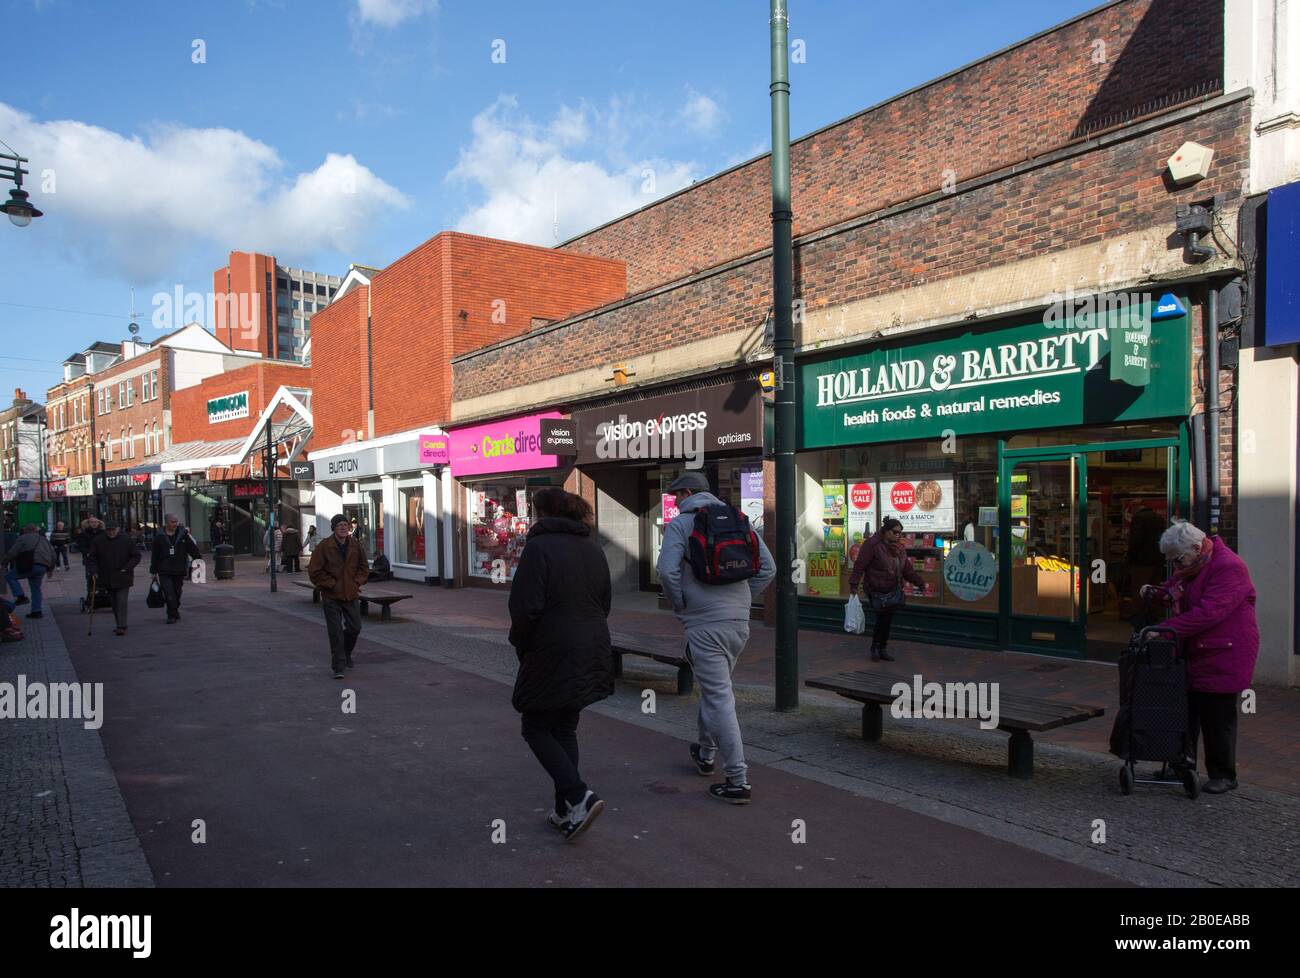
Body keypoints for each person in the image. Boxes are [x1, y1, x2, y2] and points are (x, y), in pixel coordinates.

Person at [656, 471, 776, 805]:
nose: (676, 502)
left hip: (704, 623)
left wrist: (681, 604)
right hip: (738, 623)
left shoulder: (681, 525)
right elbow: (769, 569)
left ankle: (738, 779)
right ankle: (706, 753)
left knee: (720, 697)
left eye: (678, 496)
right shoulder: (737, 520)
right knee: (715, 689)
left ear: (689, 493)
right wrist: (742, 600)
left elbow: (666, 571)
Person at [508, 487, 614, 841]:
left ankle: (578, 794)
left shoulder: (539, 548)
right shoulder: (593, 548)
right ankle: (565, 809)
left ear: (546, 514)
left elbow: (524, 607)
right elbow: (604, 602)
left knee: (535, 726)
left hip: (552, 647)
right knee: (565, 725)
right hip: (592, 644)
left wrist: (522, 644)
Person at [1142, 520, 1259, 794]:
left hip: (1224, 652)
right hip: (1198, 649)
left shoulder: (1229, 567)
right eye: (1172, 561)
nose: (1176, 567)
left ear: (1196, 547)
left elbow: (1209, 613)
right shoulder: (1194, 565)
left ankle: (1224, 774)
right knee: (1185, 711)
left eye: (1178, 560)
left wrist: (1164, 630)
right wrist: (1156, 593)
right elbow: (1175, 588)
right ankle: (1181, 764)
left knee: (1217, 716)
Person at [849, 517, 925, 662]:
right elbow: (860, 564)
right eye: (895, 532)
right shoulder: (872, 544)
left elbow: (906, 569)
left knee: (887, 619)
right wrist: (854, 584)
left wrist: (919, 582)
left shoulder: (900, 549)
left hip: (892, 589)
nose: (898, 535)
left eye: (900, 533)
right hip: (875, 588)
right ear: (886, 531)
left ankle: (882, 648)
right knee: (882, 618)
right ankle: (876, 648)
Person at [307, 514, 370, 679]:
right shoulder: (324, 546)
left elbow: (364, 568)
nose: (343, 527)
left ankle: (346, 653)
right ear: (333, 528)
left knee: (355, 627)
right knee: (335, 632)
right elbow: (314, 571)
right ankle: (338, 667)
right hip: (331, 596)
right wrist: (331, 584)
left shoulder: (355, 546)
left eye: (345, 525)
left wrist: (356, 583)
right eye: (339, 525)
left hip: (350, 593)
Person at [88, 519, 141, 636]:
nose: (111, 532)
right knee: (113, 602)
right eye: (108, 530)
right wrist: (94, 571)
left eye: (113, 530)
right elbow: (92, 558)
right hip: (106, 576)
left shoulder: (127, 540)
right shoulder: (98, 541)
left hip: (123, 576)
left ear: (117, 529)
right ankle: (119, 624)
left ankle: (122, 626)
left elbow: (136, 556)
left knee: (121, 601)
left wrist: (127, 568)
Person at [149, 515, 202, 624]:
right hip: (164, 570)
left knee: (177, 592)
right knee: (169, 592)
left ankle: (175, 609)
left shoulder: (183, 535)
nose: (175, 524)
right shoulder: (159, 537)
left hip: (179, 569)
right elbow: (155, 555)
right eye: (173, 522)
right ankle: (171, 615)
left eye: (176, 522)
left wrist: (198, 560)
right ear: (167, 523)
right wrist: (153, 571)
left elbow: (193, 549)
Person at [3, 524, 56, 620]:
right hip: (43, 566)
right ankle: (37, 611)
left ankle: (20, 596)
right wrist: (50, 568)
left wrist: (4, 562)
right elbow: (53, 554)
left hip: (29, 565)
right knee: (36, 588)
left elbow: (13, 552)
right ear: (36, 530)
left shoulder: (23, 538)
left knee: (9, 576)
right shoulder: (43, 539)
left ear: (25, 530)